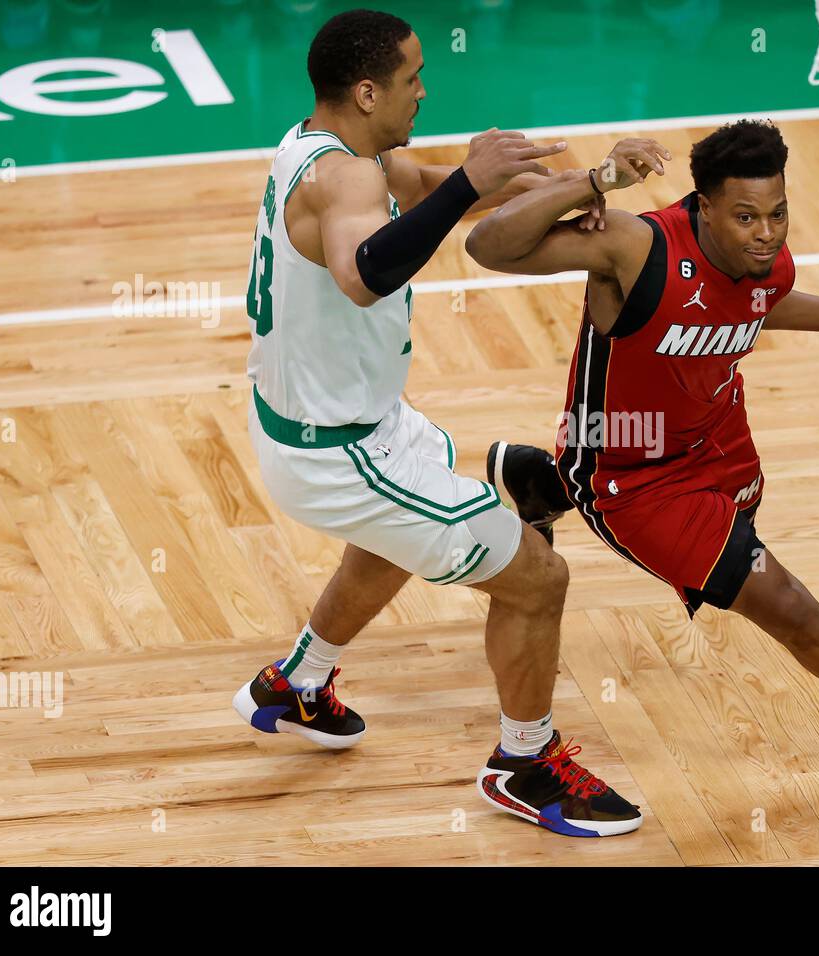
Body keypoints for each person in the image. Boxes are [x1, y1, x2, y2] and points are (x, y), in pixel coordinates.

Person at [466, 120, 819, 800]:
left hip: (719, 439)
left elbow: (758, 302)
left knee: (757, 565)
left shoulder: (769, 261)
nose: (766, 232)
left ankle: (537, 485)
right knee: (789, 607)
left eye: (778, 213)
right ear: (703, 208)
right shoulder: (634, 248)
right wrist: (590, 183)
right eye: (745, 217)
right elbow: (487, 246)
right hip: (636, 481)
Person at [232, 9, 643, 838]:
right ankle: (525, 765)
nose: (426, 89)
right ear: (367, 89)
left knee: (415, 529)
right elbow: (366, 274)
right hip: (336, 453)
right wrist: (471, 183)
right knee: (538, 580)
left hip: (342, 424)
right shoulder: (342, 181)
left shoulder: (328, 146)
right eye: (414, 78)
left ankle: (298, 683)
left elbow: (416, 191)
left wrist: (575, 186)